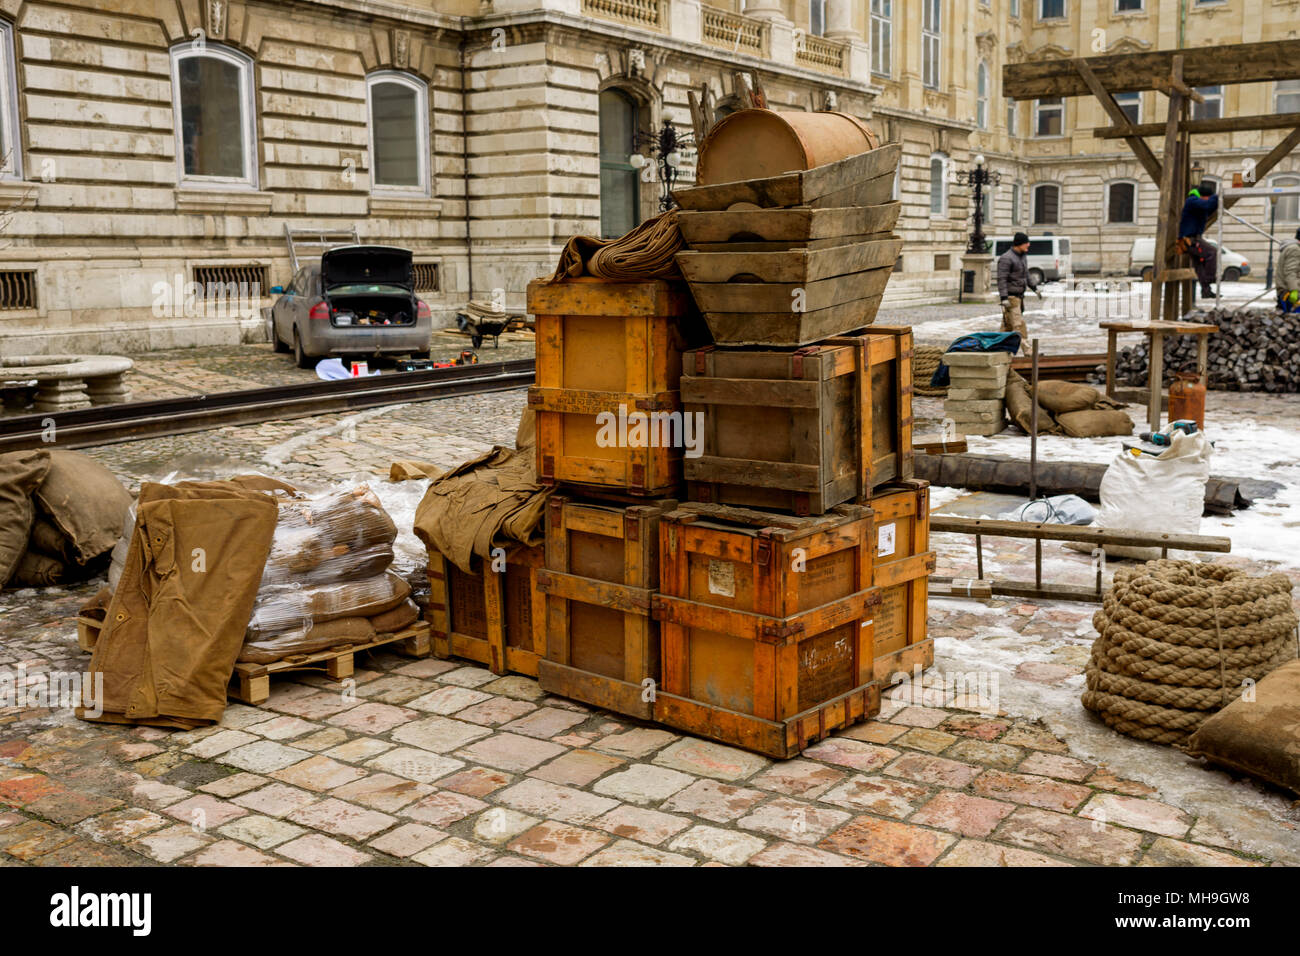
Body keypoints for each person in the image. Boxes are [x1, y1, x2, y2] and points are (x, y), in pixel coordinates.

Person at [1177, 180, 1220, 298]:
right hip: (1190, 240)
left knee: (1199, 265)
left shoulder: (1197, 204)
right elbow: (1207, 205)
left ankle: (1206, 291)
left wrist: (1215, 201)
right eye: (1208, 198)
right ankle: (1210, 279)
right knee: (1212, 252)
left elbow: (1209, 207)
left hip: (1191, 239)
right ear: (1203, 196)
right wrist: (1217, 196)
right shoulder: (1192, 200)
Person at [996, 232, 1034, 352]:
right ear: (1019, 244)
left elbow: (1026, 274)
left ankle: (998, 349)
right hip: (1011, 298)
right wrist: (1004, 298)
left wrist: (1034, 287)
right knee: (1018, 325)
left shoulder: (1022, 256)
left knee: (1007, 327)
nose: (1029, 244)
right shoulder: (1006, 258)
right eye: (1026, 242)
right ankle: (1029, 352)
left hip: (1019, 297)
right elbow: (1002, 279)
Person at [1278, 226, 1300, 314]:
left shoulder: (1292, 248)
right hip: (1290, 294)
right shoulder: (1295, 249)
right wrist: (1294, 290)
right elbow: (1290, 272)